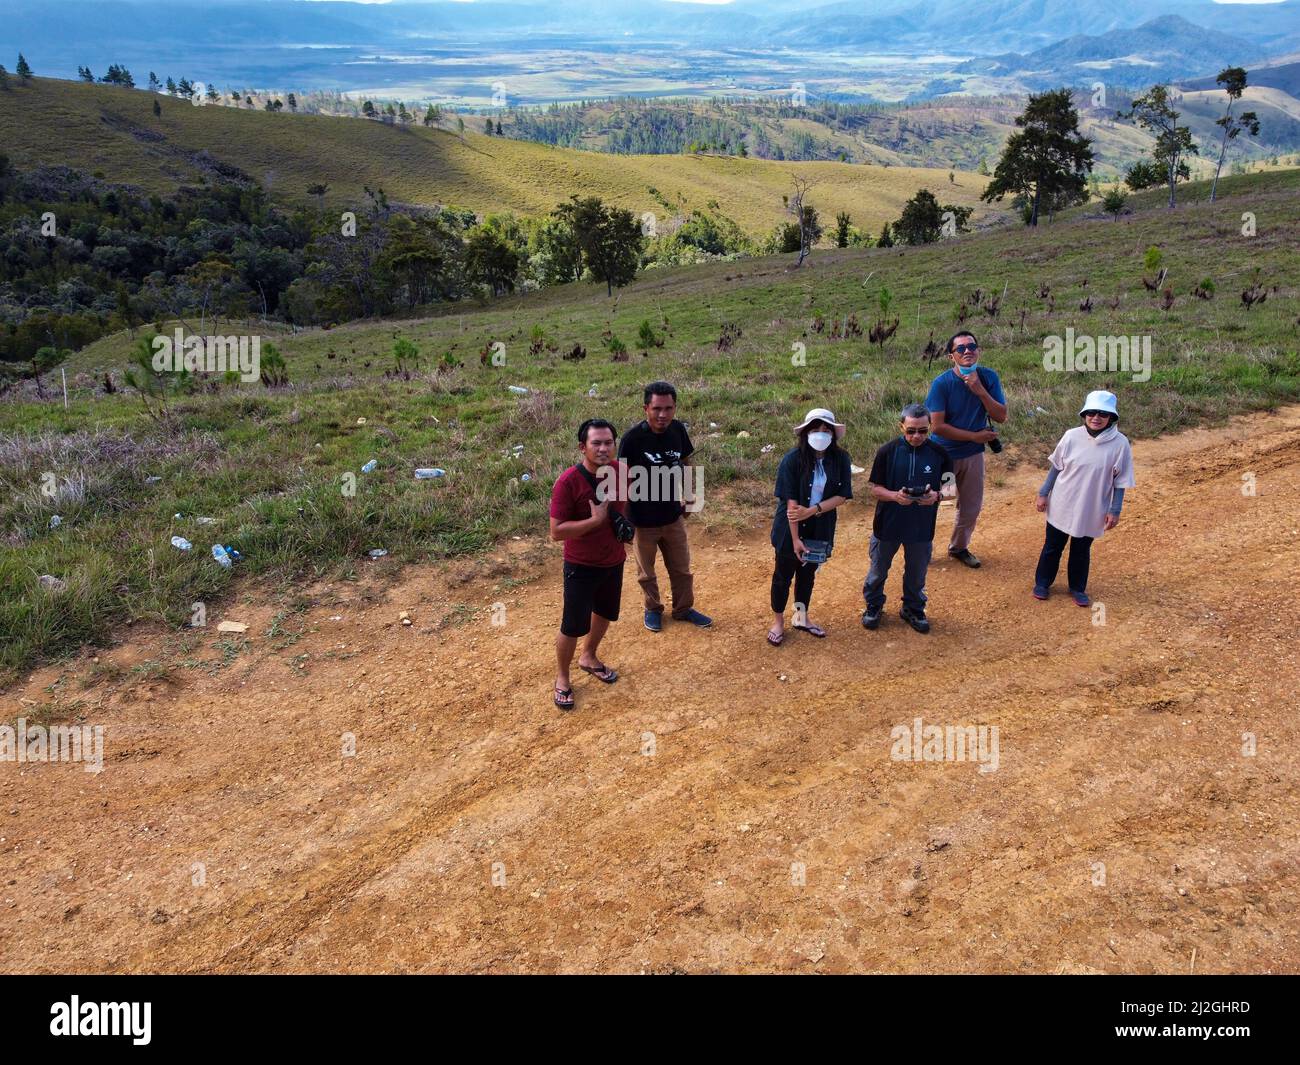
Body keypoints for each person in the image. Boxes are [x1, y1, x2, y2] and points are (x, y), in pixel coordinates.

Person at [548, 418, 631, 711]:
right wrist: (594, 521)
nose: (603, 448)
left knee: (606, 613)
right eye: (596, 443)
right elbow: (556, 531)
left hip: (614, 559)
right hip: (580, 565)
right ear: (583, 447)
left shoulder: (622, 472)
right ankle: (562, 678)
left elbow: (628, 504)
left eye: (609, 442)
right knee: (572, 626)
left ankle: (589, 656)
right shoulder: (568, 482)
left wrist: (625, 524)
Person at [618, 381, 712, 633]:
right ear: (645, 408)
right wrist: (621, 518)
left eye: (668, 408)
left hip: (673, 516)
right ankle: (652, 609)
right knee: (646, 573)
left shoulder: (678, 430)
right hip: (642, 521)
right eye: (657, 408)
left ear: (674, 408)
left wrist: (692, 496)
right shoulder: (631, 439)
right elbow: (620, 478)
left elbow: (686, 461)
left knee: (682, 569)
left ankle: (683, 609)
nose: (663, 414)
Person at [1033, 390, 1135, 607]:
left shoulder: (1120, 444)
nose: (1096, 418)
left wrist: (1115, 510)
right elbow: (1056, 467)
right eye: (1091, 413)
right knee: (1053, 546)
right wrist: (1043, 493)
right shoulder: (1071, 436)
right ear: (1084, 414)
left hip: (1093, 506)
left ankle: (1077, 587)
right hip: (1063, 501)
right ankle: (1042, 583)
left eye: (1102, 414)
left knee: (1081, 549)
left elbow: (1120, 481)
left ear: (1111, 418)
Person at [862, 404, 955, 634]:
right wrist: (894, 496)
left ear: (930, 428)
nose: (916, 436)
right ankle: (873, 606)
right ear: (901, 426)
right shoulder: (887, 451)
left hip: (921, 527)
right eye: (911, 431)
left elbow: (952, 490)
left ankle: (913, 608)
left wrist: (937, 496)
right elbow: (875, 489)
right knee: (878, 570)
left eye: (923, 431)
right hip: (888, 525)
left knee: (917, 573)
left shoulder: (940, 454)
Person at [767, 408, 853, 645]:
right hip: (789, 530)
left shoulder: (841, 459)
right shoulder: (792, 460)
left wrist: (813, 510)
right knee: (782, 576)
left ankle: (801, 617)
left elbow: (843, 495)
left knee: (807, 576)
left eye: (826, 430)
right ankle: (778, 621)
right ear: (805, 433)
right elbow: (791, 503)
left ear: (833, 434)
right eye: (816, 429)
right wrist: (795, 540)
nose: (821, 434)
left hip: (820, 527)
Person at [925, 330, 1008, 568]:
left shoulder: (989, 377)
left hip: (972, 456)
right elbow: (937, 427)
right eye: (960, 349)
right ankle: (922, 549)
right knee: (934, 502)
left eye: (971, 346)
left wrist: (980, 390)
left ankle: (959, 547)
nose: (967, 351)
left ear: (978, 351)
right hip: (944, 456)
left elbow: (1001, 416)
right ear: (952, 357)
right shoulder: (942, 384)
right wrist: (975, 436)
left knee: (970, 507)